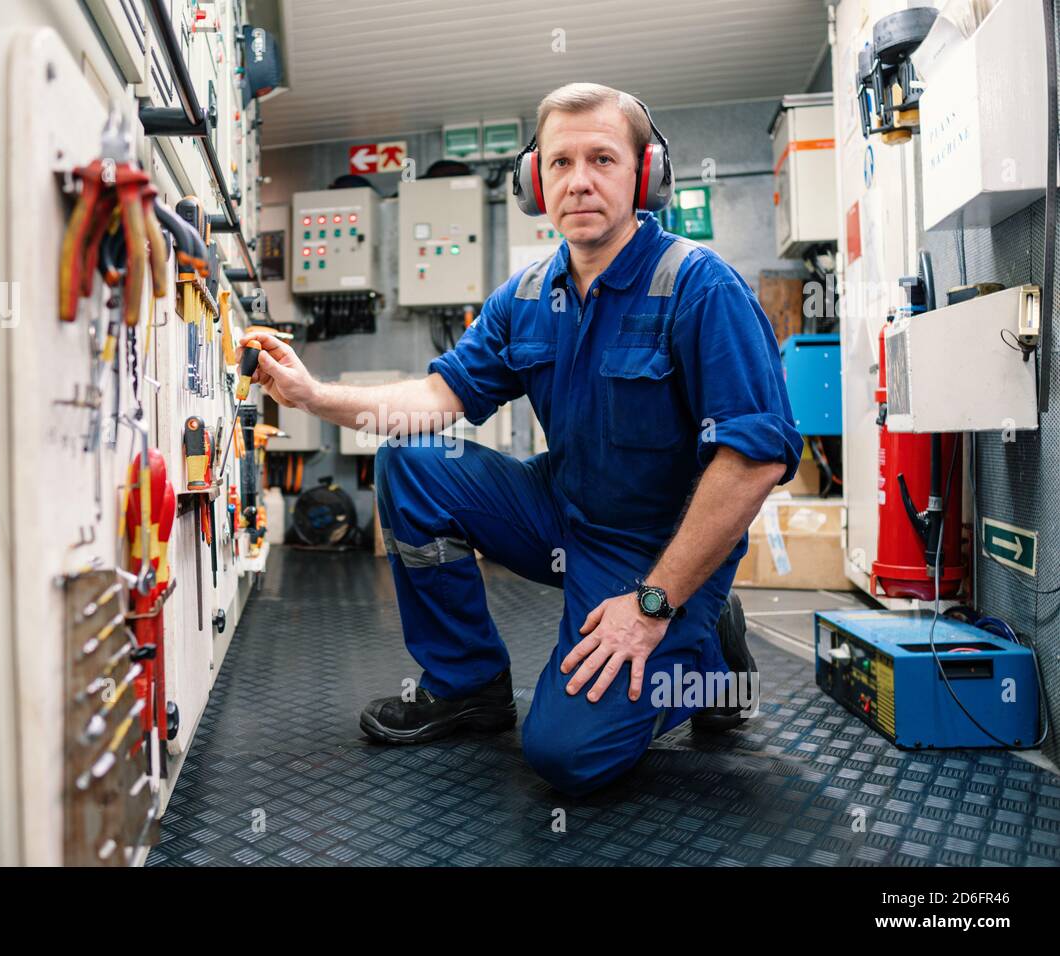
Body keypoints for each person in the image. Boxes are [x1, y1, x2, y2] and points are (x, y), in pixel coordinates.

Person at [241, 82, 801, 796]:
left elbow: (753, 461)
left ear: (646, 174)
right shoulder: (528, 295)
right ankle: (469, 684)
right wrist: (313, 395)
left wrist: (654, 604)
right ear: (537, 181)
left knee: (567, 757)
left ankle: (707, 666)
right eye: (561, 163)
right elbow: (434, 401)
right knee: (412, 461)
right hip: (562, 510)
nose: (580, 181)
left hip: (654, 553)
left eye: (602, 159)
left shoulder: (698, 287)